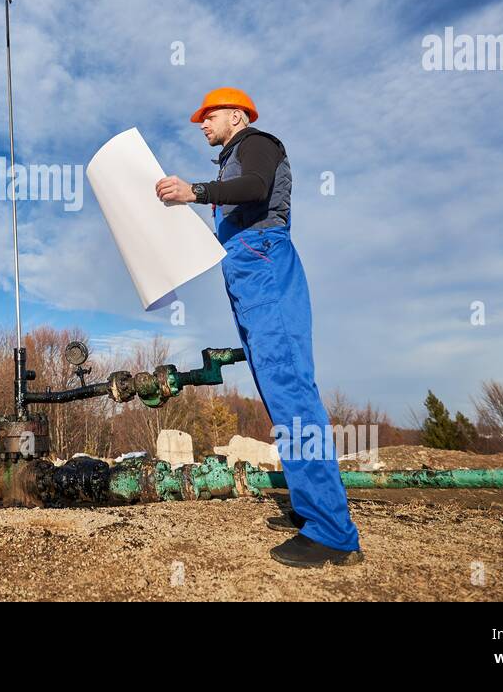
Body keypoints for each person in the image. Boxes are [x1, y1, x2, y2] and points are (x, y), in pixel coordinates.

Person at [155, 87, 363, 568]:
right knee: (276, 389)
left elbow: (254, 189)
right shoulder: (230, 157)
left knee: (289, 386)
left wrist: (196, 192)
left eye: (208, 117)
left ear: (236, 115)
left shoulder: (257, 143)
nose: (202, 125)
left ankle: (332, 532)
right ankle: (312, 510)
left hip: (264, 262)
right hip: (249, 269)